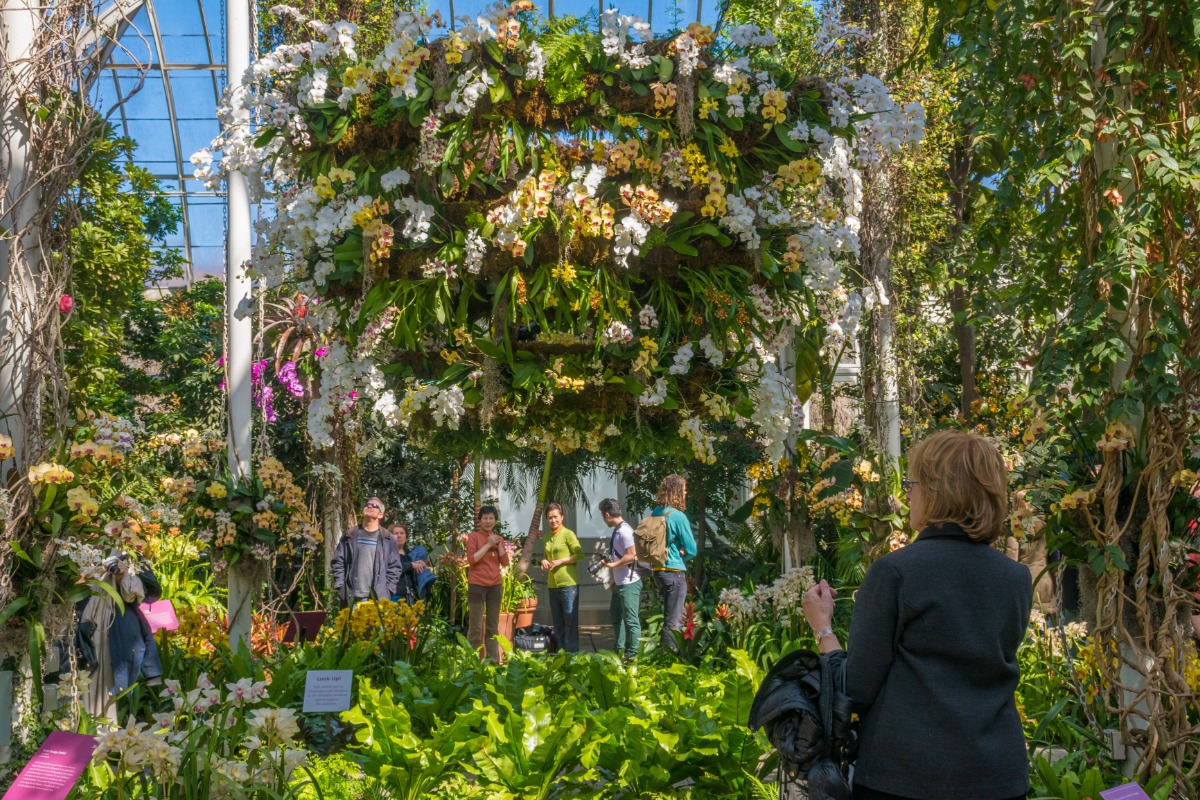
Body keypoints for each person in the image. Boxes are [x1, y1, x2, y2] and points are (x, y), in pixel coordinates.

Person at [801, 430, 1033, 800]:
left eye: (913, 482)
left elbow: (856, 688)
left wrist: (822, 627)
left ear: (940, 490)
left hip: (909, 777)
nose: (907, 492)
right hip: (998, 776)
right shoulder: (1016, 577)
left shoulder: (896, 572)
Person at [77, 552, 162, 722]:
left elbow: (142, 593)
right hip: (75, 630)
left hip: (109, 635)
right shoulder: (70, 547)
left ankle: (98, 739)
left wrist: (121, 575)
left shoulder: (127, 553)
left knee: (103, 692)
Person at [650, 474, 697, 649]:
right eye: (684, 490)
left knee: (668, 616)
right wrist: (681, 555)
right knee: (674, 620)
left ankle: (663, 656)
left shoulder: (656, 512)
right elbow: (692, 549)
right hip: (674, 572)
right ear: (677, 492)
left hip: (658, 570)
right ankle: (668, 659)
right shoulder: (678, 516)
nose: (686, 493)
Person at [331, 497, 403, 607]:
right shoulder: (350, 535)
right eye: (367, 504)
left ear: (380, 515)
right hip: (352, 597)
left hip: (378, 598)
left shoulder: (388, 538)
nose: (369, 506)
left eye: (374, 506)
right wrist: (341, 586)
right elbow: (338, 561)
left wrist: (388, 590)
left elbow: (395, 567)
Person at [599, 497, 641, 662]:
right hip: (620, 583)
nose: (603, 520)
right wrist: (615, 578)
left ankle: (633, 656)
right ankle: (619, 650)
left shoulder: (624, 531)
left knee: (631, 620)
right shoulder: (618, 529)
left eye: (603, 516)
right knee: (615, 616)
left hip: (630, 583)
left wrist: (613, 565)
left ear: (607, 515)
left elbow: (632, 556)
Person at [466, 504, 510, 661]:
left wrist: (498, 546)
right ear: (480, 520)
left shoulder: (499, 539)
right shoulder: (474, 537)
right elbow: (472, 560)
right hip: (477, 585)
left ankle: (493, 661)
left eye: (491, 518)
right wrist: (488, 544)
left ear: (495, 521)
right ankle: (473, 662)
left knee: (492, 626)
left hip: (495, 586)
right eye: (485, 518)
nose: (488, 521)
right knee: (476, 627)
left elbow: (505, 563)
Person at [541, 502, 584, 653]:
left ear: (562, 517)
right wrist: (544, 561)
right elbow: (545, 557)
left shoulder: (568, 534)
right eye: (550, 517)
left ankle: (572, 653)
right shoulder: (546, 537)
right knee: (558, 622)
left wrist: (561, 561)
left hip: (568, 584)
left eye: (556, 517)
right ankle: (560, 652)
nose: (553, 520)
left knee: (570, 621)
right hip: (552, 584)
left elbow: (579, 555)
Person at [391, 523, 435, 603]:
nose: (399, 536)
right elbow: (391, 568)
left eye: (402, 533)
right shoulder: (388, 552)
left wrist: (421, 564)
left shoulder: (410, 553)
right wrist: (411, 565)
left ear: (406, 537)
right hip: (394, 595)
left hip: (410, 596)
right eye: (396, 533)